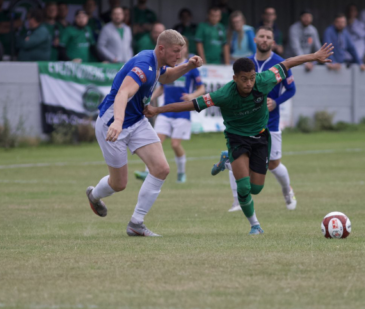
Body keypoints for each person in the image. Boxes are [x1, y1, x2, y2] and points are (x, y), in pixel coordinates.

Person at [144, 43, 334, 234]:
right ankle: (255, 225)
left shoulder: (264, 80)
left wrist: (315, 56)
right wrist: (158, 110)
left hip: (261, 138)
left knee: (256, 189)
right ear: (235, 78)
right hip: (237, 139)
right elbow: (191, 104)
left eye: (251, 78)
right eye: (244, 80)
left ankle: (227, 161)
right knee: (243, 187)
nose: (249, 84)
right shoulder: (224, 94)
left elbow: (288, 63)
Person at [84, 30, 204, 237]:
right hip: (112, 124)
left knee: (161, 169)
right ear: (161, 48)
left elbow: (165, 77)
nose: (179, 56)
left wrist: (188, 66)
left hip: (137, 121)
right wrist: (119, 122)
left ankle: (136, 223)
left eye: (181, 52)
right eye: (176, 52)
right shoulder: (144, 66)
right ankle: (94, 195)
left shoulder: (156, 63)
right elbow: (123, 93)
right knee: (119, 184)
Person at [211, 26, 299, 212]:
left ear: (273, 42)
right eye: (262, 36)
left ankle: (287, 190)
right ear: (255, 40)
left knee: (274, 164)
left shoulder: (279, 63)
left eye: (269, 37)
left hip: (270, 123)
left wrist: (275, 102)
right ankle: (237, 201)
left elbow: (291, 90)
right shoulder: (246, 63)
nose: (265, 39)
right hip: (244, 124)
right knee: (238, 156)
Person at [135, 43, 205, 183]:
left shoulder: (191, 68)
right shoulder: (168, 66)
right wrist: (150, 98)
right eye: (176, 48)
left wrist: (192, 96)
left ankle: (181, 173)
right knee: (156, 141)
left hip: (181, 111)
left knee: (175, 144)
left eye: (182, 47)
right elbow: (161, 88)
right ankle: (148, 172)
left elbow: (201, 88)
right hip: (165, 111)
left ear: (185, 49)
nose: (179, 51)